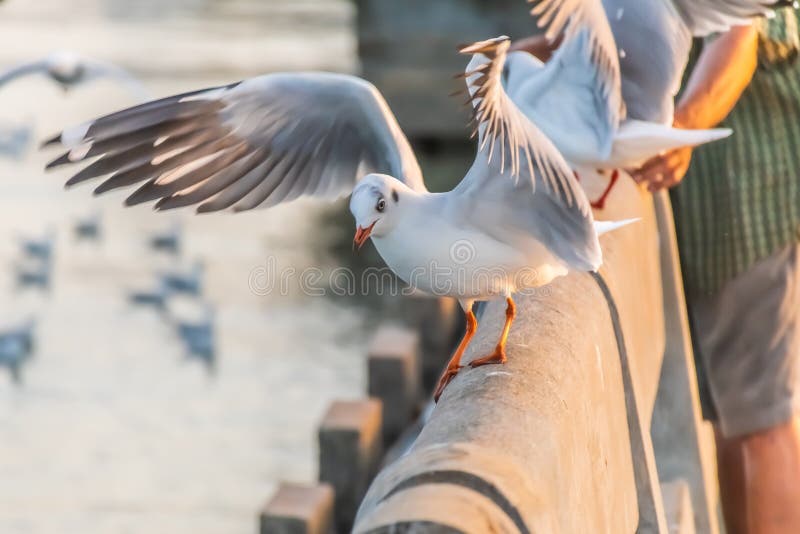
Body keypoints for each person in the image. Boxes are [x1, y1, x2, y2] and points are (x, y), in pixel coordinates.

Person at [632, 10, 800, 534]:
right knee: (733, 424)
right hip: (708, 216)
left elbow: (740, 36)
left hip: (754, 201)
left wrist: (682, 128)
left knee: (762, 426)